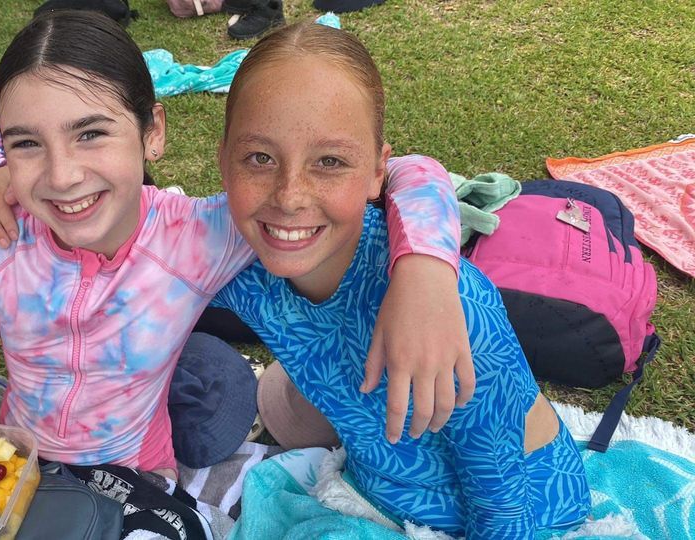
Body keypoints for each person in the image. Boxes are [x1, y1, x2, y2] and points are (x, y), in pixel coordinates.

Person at [0, 11, 472, 539]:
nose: (61, 175)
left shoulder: (197, 236)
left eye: (91, 134)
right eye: (27, 144)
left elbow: (416, 172)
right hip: (7, 460)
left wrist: (428, 275)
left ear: (152, 133)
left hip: (132, 483)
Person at [208, 22, 590, 538]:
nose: (290, 195)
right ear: (223, 161)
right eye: (259, 158)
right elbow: (131, 235)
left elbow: (506, 509)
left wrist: (428, 278)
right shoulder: (237, 261)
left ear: (375, 173)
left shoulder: (454, 312)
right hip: (371, 483)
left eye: (329, 161)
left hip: (519, 509)